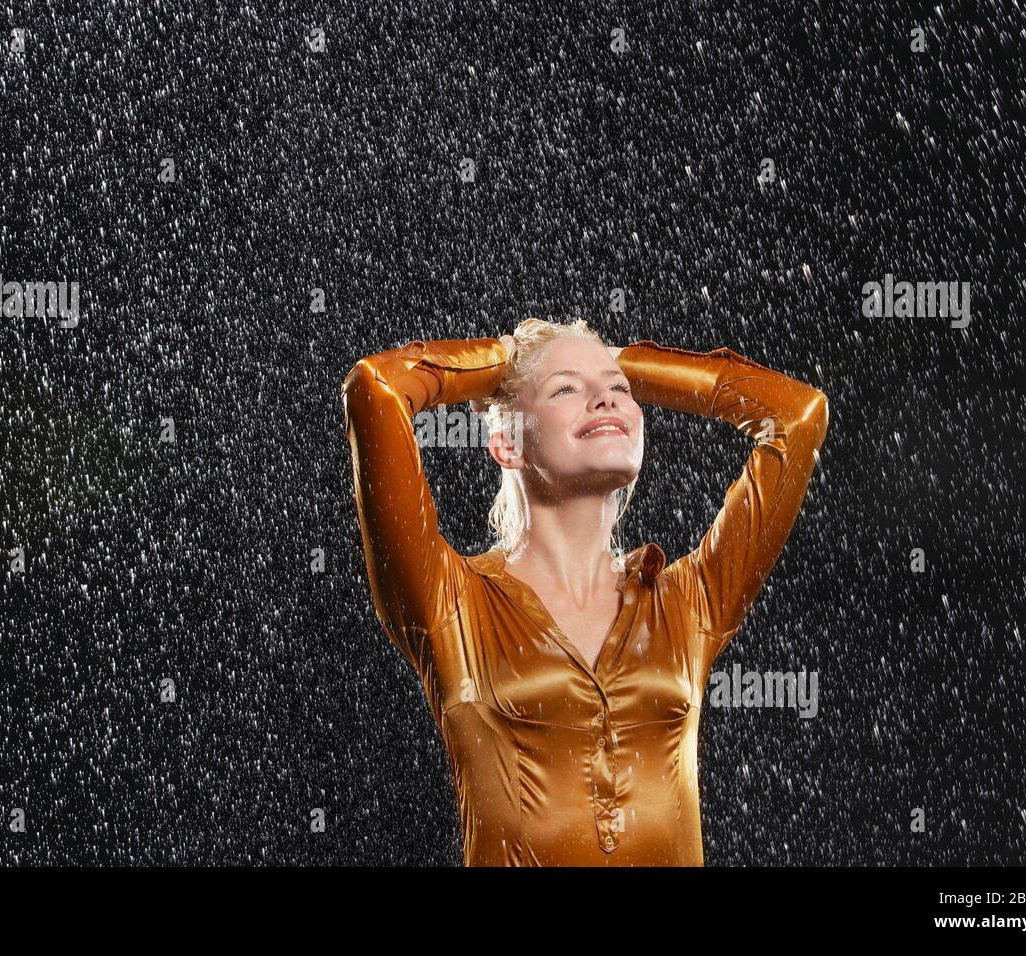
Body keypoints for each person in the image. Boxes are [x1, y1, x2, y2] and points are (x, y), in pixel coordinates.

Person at [340, 317, 829, 865]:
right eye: (565, 389)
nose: (606, 400)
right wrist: (505, 362)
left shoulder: (689, 601)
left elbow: (796, 415)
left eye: (620, 390)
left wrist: (623, 360)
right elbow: (377, 387)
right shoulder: (449, 601)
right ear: (505, 442)